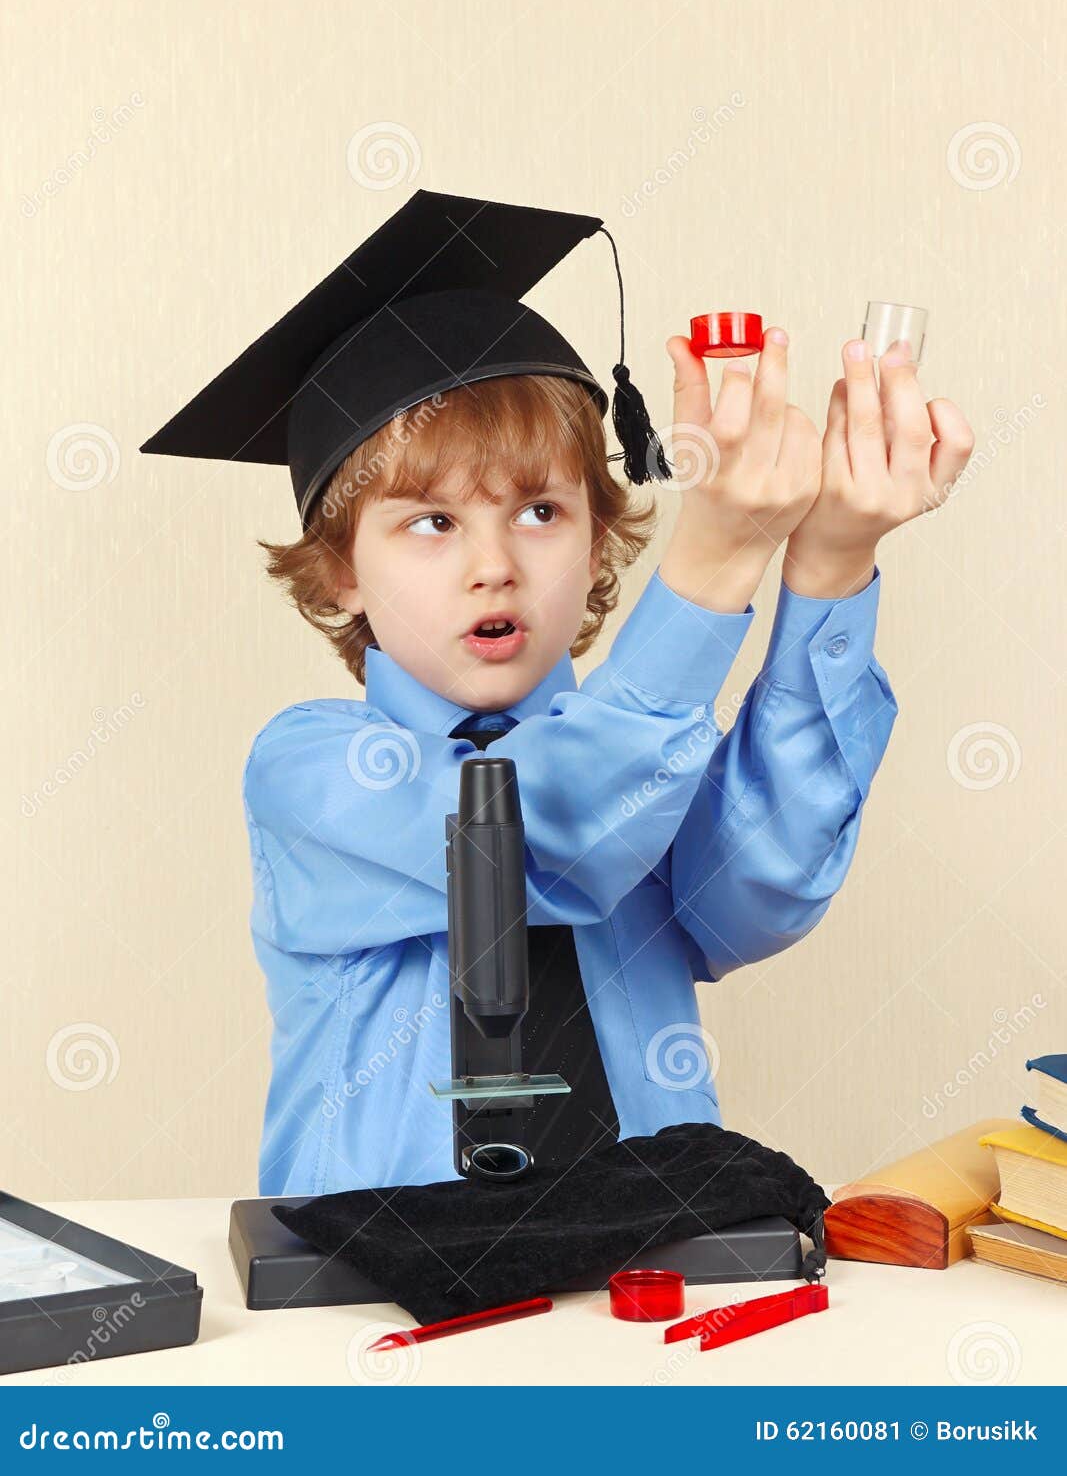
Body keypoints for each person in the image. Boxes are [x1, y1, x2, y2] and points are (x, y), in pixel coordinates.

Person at [141, 191, 974, 1196]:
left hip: (645, 1246)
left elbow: (762, 890)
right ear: (340, 571)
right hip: (378, 1267)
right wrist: (711, 564)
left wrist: (830, 561)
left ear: (597, 538)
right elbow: (542, 837)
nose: (493, 565)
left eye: (540, 511)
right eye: (430, 523)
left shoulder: (657, 764)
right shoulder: (310, 772)